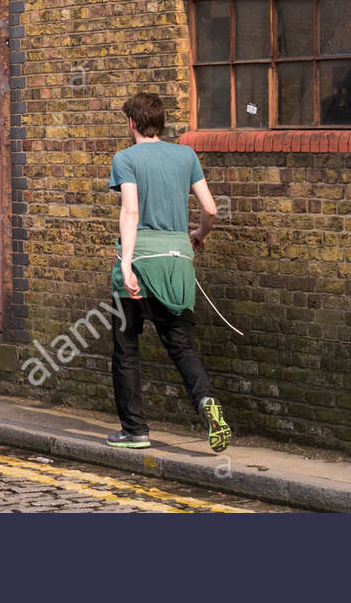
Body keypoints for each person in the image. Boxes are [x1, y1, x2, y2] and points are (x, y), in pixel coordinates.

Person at [107, 93, 232, 453]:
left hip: (140, 262)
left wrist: (127, 264)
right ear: (161, 123)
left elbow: (130, 212)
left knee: (127, 349)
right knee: (182, 347)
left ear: (131, 123)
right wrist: (198, 236)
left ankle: (135, 431)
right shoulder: (186, 155)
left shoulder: (125, 159)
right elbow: (210, 209)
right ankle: (206, 401)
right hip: (178, 262)